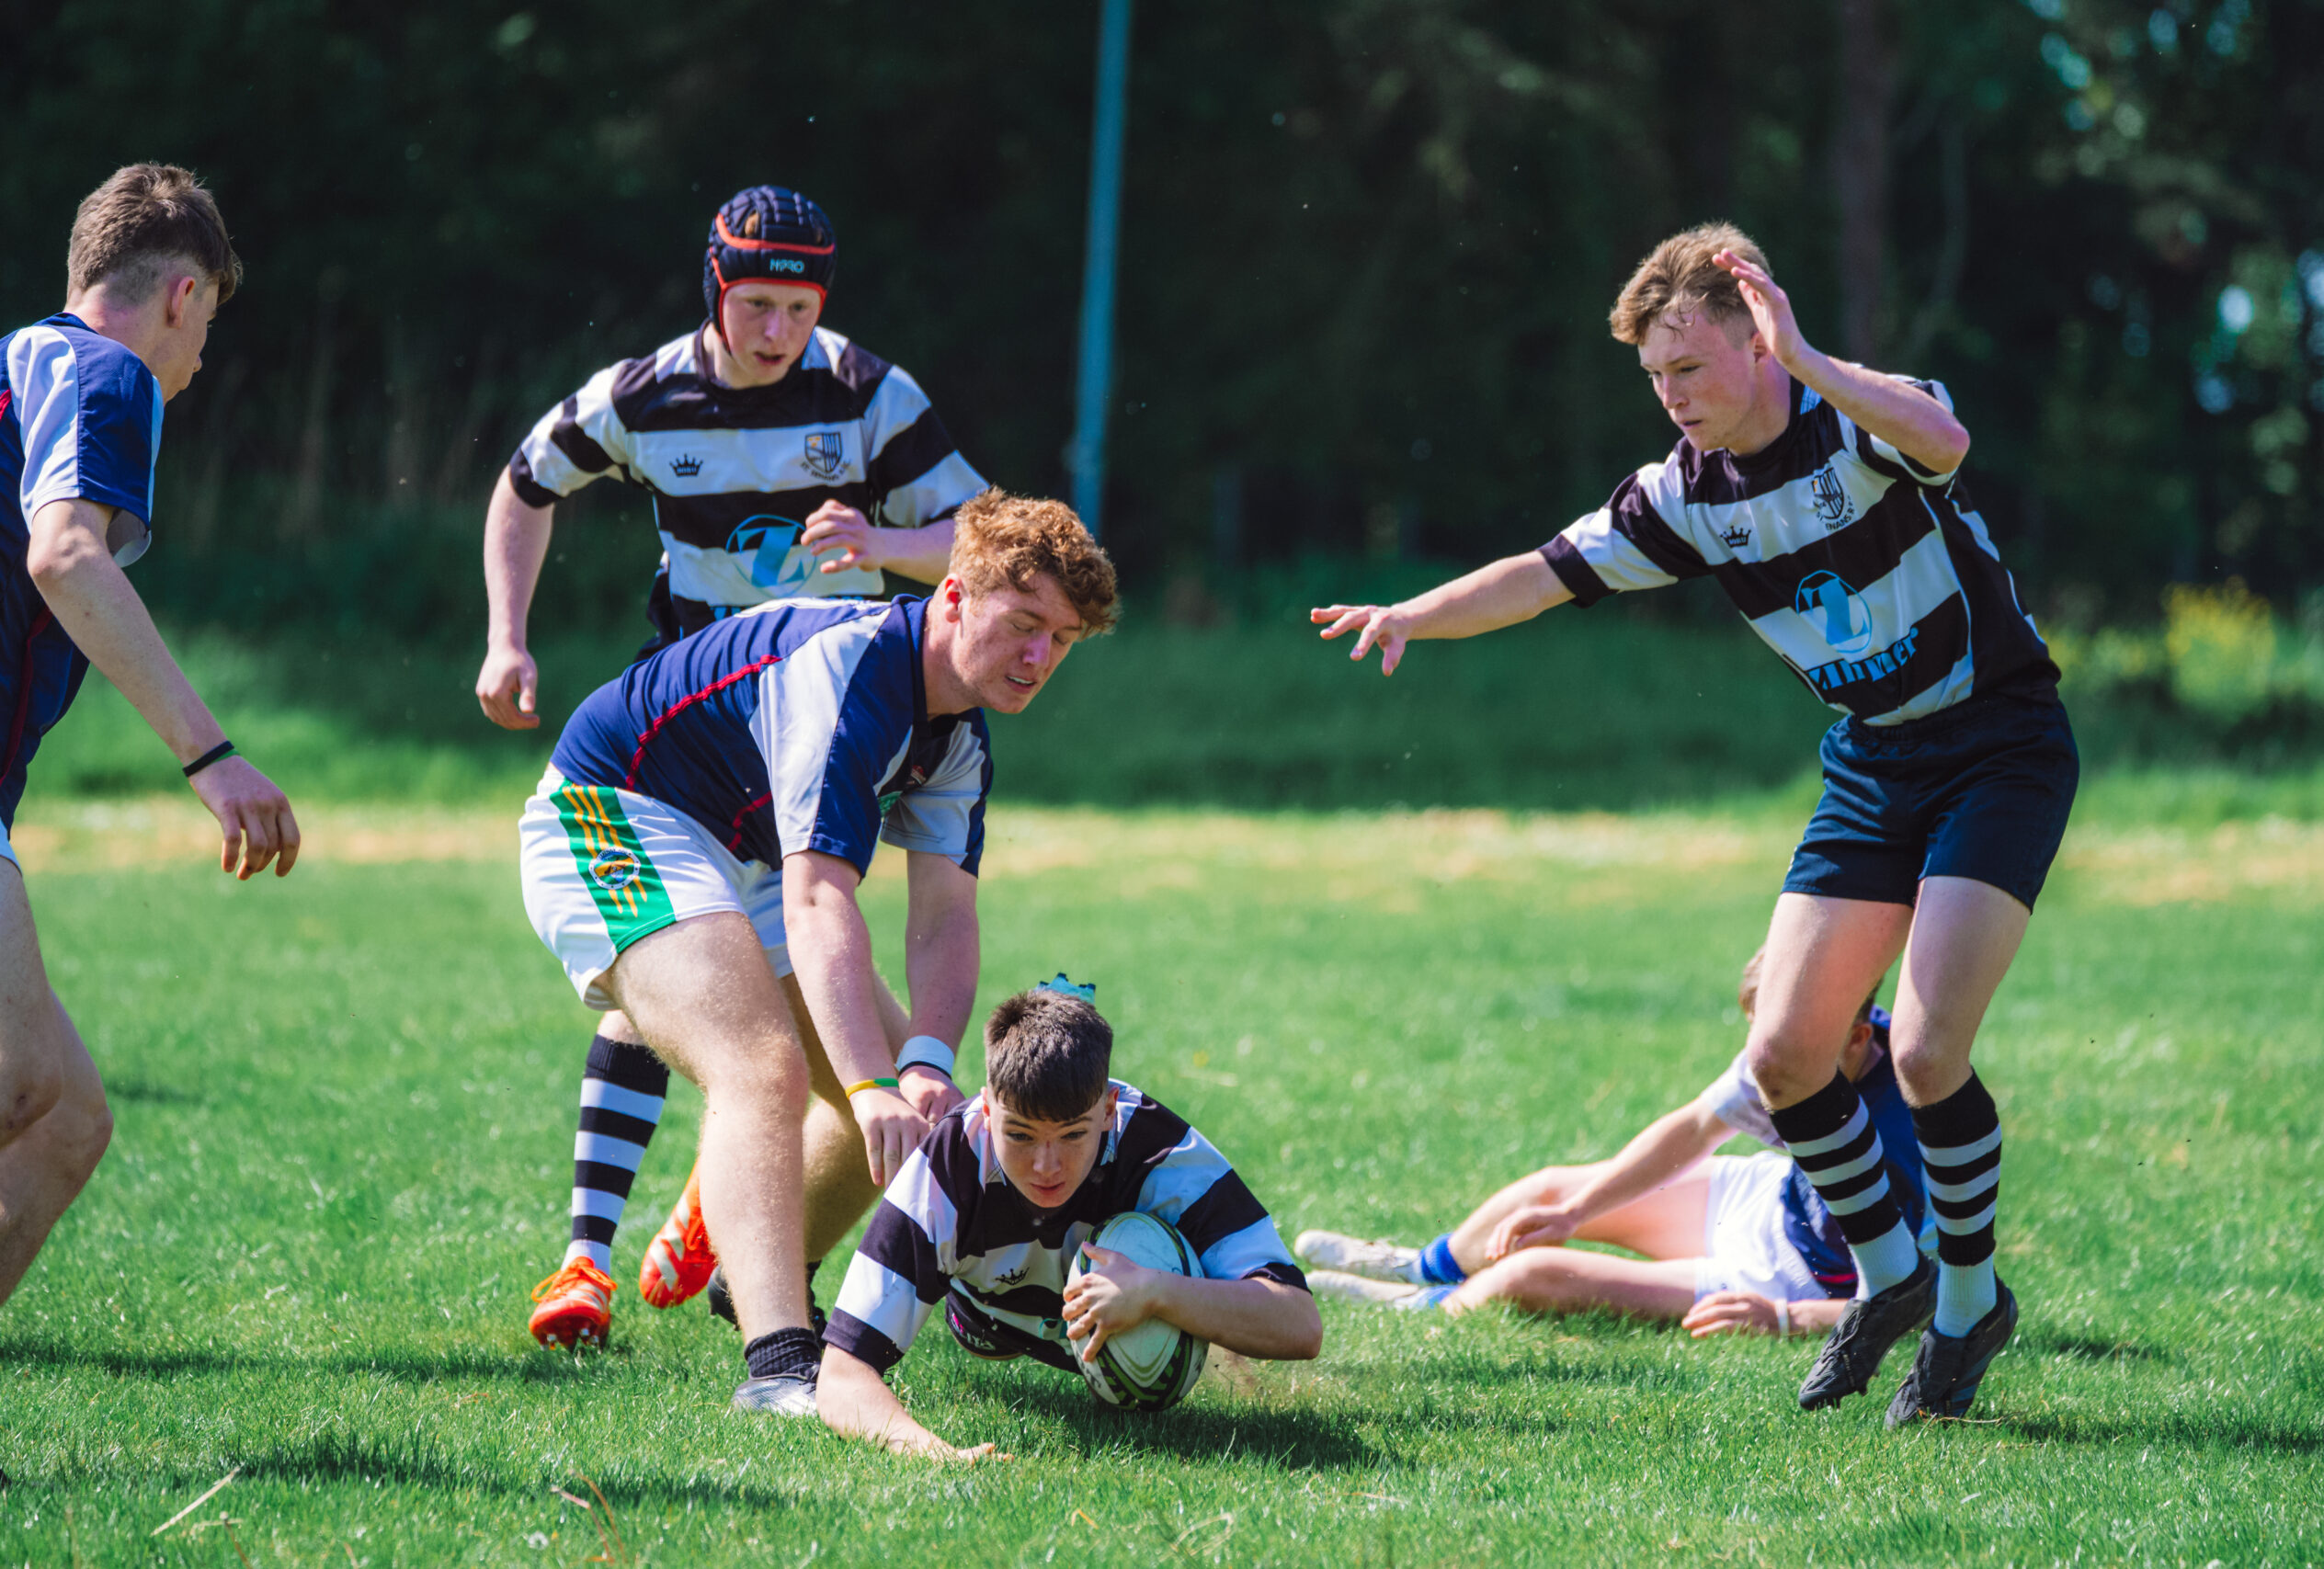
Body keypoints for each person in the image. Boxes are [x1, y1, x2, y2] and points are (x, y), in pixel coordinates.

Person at [1311, 224, 2073, 1426]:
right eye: (1656, 379)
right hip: (1874, 763)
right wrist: (1413, 611)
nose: (1673, 399)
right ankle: (1893, 1282)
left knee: (1924, 1054)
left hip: (1998, 746)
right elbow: (1545, 568)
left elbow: (1948, 437)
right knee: (1784, 1050)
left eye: (1692, 370)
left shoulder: (1855, 419)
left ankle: (1969, 1304)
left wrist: (1812, 357)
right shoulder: (1687, 493)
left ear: (1757, 343)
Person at [480, 184, 989, 1352]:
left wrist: (880, 544)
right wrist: (508, 633)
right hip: (690, 750)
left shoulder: (866, 391)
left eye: (799, 307)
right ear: (715, 291)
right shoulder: (642, 393)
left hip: (826, 749)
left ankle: (735, 1224)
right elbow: (524, 484)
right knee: (674, 997)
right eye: (756, 305)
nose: (778, 332)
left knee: (831, 1041)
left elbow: (983, 536)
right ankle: (589, 1260)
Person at [518, 489, 1117, 1415]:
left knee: (870, 1089)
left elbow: (944, 917)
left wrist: (918, 1063)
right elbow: (817, 896)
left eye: (1063, 639)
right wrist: (879, 1079)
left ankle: (756, 1281)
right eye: (1024, 622)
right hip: (612, 815)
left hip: (734, 856)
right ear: (954, 596)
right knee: (761, 1068)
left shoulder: (956, 733)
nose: (1039, 657)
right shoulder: (848, 670)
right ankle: (781, 1368)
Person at [0, 165, 300, 1310]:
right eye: (209, 326)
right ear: (181, 295)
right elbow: (67, 555)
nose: (202, 362)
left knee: (66, 1120)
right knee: (20, 1080)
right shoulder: (107, 370)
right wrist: (211, 757)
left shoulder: (18, 362)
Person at [1300, 950, 1931, 1341]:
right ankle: (1421, 1264)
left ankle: (1425, 1306)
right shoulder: (1794, 1044)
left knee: (1531, 1273)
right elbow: (1690, 1129)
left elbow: (1914, 1296)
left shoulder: (1899, 1136)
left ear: (1853, 1038)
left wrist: (1784, 1317)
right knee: (1551, 1188)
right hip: (1770, 1198)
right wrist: (1575, 1211)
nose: (1759, 1069)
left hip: (1788, 1275)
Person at [815, 983, 1322, 1459]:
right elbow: (841, 1376)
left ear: (1109, 1109)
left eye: (1073, 1135)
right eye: (1020, 1136)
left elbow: (1299, 1323)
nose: (1046, 1166)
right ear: (986, 1109)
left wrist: (1155, 1291)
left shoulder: (1163, 1155)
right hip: (987, 1314)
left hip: (1131, 1296)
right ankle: (986, 1310)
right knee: (984, 1336)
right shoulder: (947, 1169)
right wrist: (930, 1452)